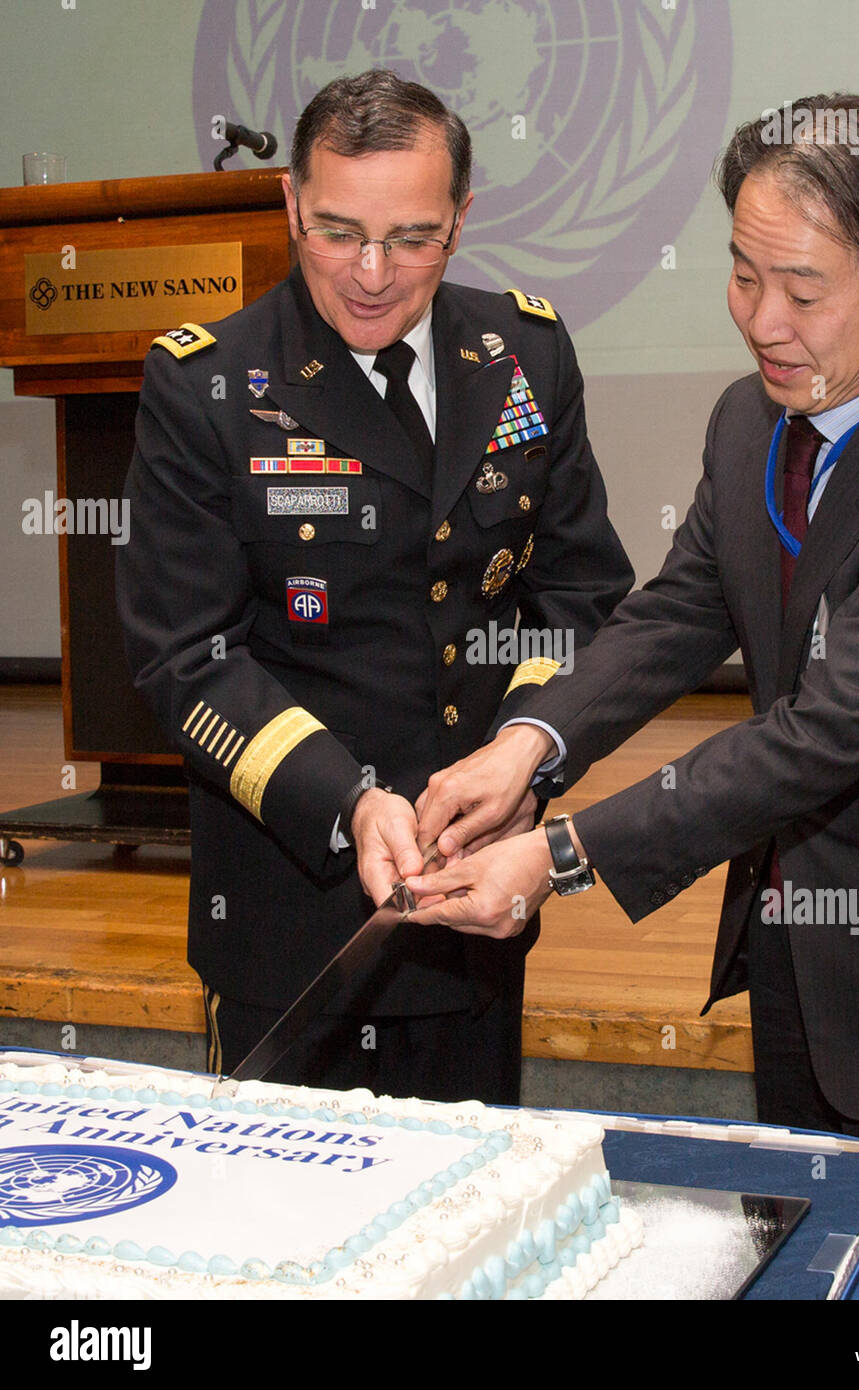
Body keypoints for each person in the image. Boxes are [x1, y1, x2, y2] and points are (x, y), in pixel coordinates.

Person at [407, 94, 859, 1295]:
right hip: (800, 957)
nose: (761, 320)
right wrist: (528, 747)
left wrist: (555, 855)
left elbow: (813, 739)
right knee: (815, 1266)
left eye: (802, 291)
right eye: (741, 275)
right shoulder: (747, 419)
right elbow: (676, 613)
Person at [116, 69, 632, 1105]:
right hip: (288, 915)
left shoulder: (522, 353)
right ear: (289, 205)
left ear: (461, 221)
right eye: (337, 230)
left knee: (467, 1232)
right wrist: (346, 802)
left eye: (411, 238)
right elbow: (188, 656)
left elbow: (577, 597)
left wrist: (516, 764)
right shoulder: (208, 383)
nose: (369, 272)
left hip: (472, 902)